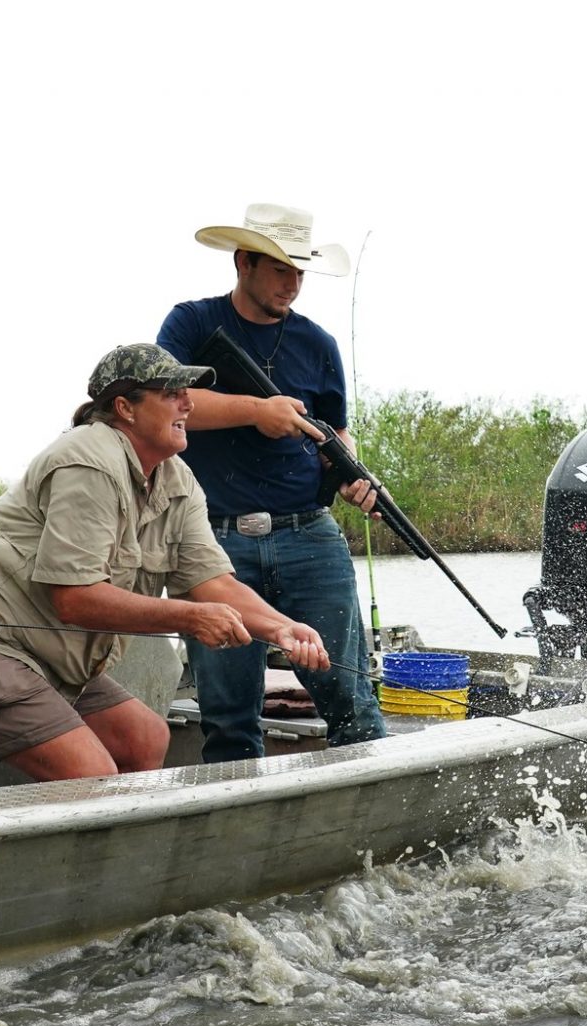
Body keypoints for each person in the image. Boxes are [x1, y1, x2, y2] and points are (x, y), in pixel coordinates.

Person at [0, 342, 330, 783]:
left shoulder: (178, 479)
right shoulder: (87, 458)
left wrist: (282, 628)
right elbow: (74, 599)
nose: (188, 402)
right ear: (125, 408)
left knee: (143, 738)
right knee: (89, 771)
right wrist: (190, 618)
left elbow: (212, 583)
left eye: (188, 392)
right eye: (171, 392)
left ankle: (115, 848)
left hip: (43, 656)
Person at [157, 203, 387, 763]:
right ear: (243, 263)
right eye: (281, 269)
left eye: (300, 271)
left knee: (353, 702)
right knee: (229, 718)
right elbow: (166, 403)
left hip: (309, 535)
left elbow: (336, 432)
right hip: (212, 544)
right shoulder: (190, 323)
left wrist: (351, 473)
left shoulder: (319, 344)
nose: (293, 284)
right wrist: (257, 411)